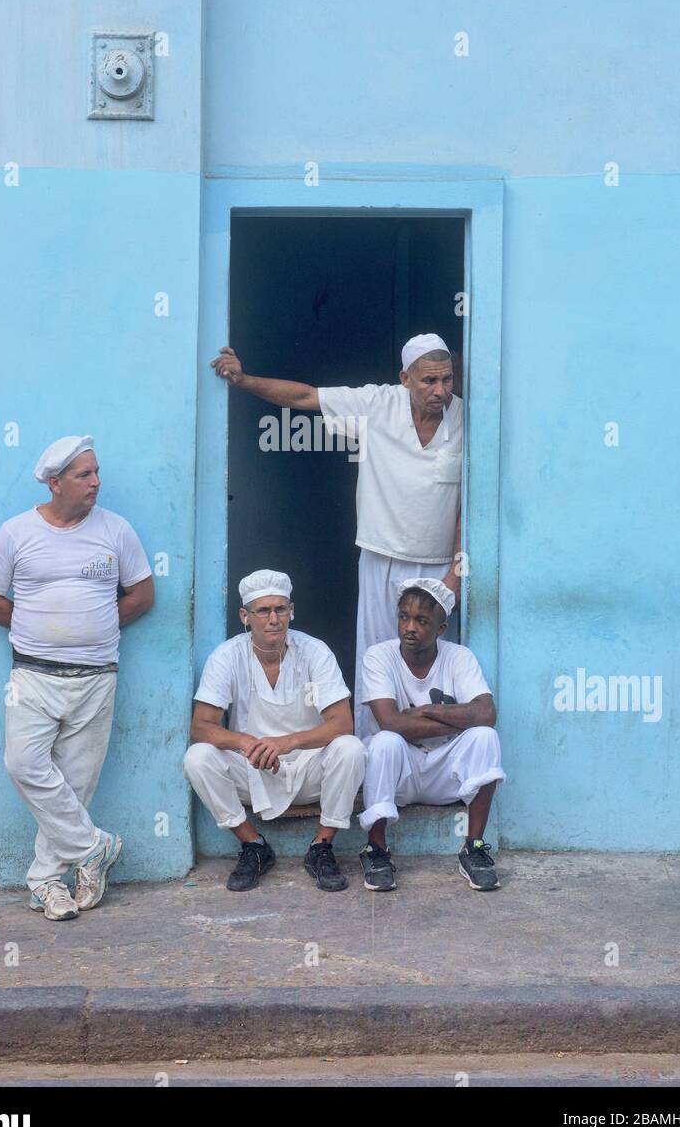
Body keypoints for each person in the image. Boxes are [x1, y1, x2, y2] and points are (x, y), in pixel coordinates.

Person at [211, 334, 462, 736]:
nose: (440, 391)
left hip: (438, 567)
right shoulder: (377, 403)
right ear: (404, 378)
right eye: (429, 381)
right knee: (377, 656)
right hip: (381, 556)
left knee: (437, 664)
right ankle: (373, 754)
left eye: (446, 380)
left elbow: (472, 503)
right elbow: (304, 397)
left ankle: (434, 761)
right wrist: (245, 381)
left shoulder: (467, 419)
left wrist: (457, 572)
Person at [0, 436, 154, 921]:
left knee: (75, 787)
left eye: (96, 473)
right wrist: (37, 627)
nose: (96, 483)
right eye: (84, 475)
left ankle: (46, 882)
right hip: (32, 675)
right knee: (23, 764)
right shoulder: (16, 533)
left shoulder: (116, 531)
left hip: (97, 676)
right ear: (55, 483)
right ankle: (93, 846)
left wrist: (93, 629)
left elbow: (141, 594)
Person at [184, 569, 366, 892]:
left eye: (281, 609)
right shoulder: (227, 657)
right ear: (245, 615)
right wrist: (246, 742)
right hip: (253, 770)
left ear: (291, 611)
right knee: (198, 758)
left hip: (310, 772)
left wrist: (288, 742)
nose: (273, 619)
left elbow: (342, 722)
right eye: (263, 610)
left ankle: (321, 846)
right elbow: (201, 726)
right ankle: (253, 846)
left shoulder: (315, 652)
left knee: (351, 748)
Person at [358, 577, 505, 893]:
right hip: (402, 773)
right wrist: (458, 718)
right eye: (404, 617)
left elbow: (487, 714)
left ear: (440, 629)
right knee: (384, 742)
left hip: (446, 773)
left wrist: (424, 711)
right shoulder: (378, 656)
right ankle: (376, 850)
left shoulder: (459, 657)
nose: (409, 627)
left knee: (484, 736)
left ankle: (474, 848)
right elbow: (391, 723)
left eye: (422, 621)